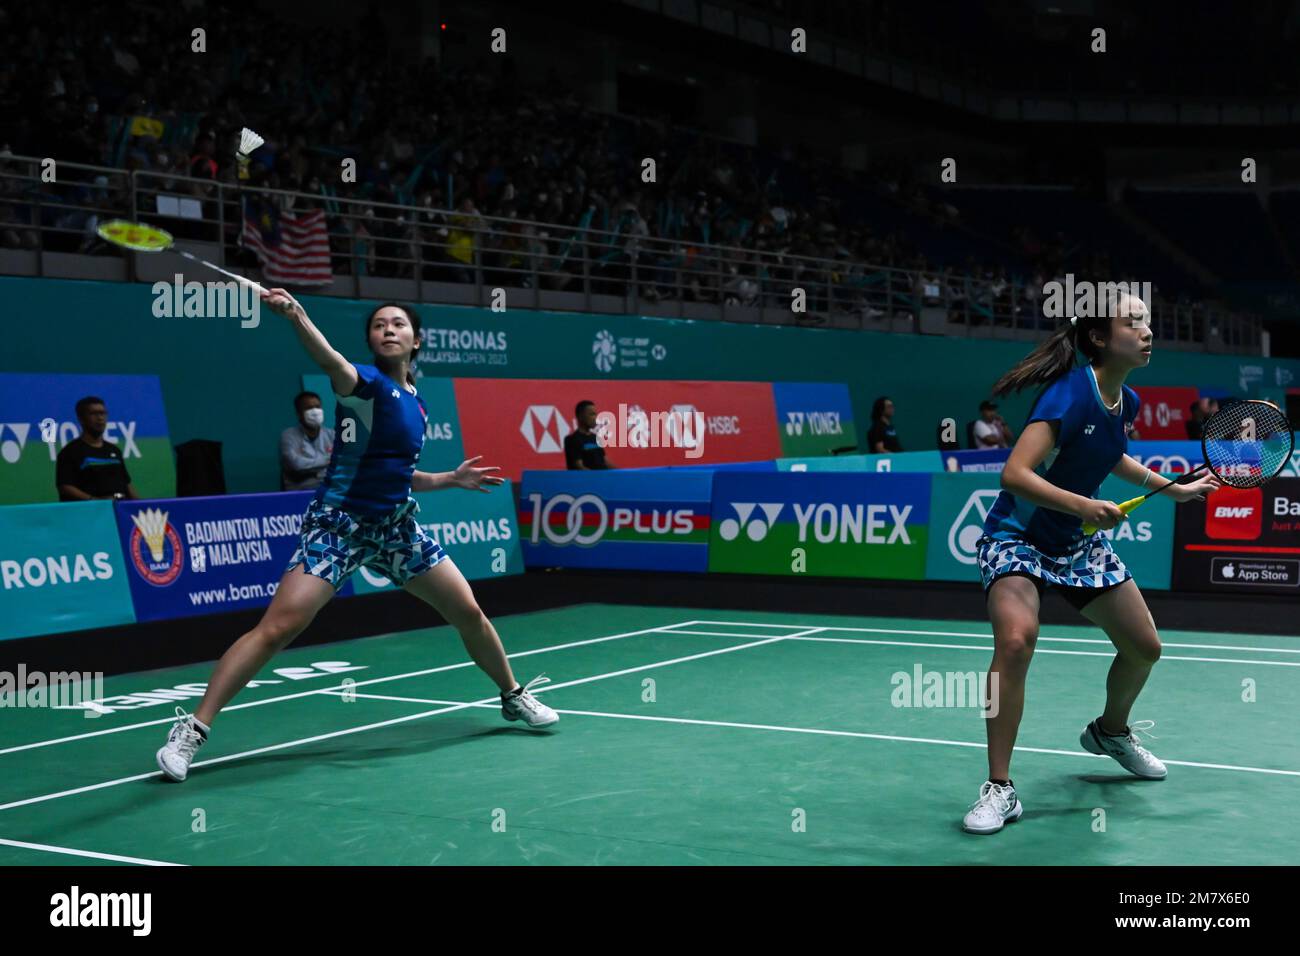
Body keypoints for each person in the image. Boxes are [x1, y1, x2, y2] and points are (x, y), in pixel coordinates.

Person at [156, 297, 558, 782]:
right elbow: (329, 360)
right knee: (279, 628)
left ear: (416, 339)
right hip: (339, 527)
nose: (388, 330)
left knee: (468, 611)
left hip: (395, 527)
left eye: (399, 324)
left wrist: (450, 478)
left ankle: (512, 696)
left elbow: (400, 475)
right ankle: (192, 731)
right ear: (370, 340)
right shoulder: (364, 384)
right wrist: (297, 317)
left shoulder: (416, 401)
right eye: (379, 325)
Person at [963, 296, 1221, 835]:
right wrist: (1084, 506)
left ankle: (1110, 731)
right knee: (1015, 641)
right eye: (1134, 323)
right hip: (1020, 538)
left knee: (1144, 647)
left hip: (1075, 545)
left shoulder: (1125, 400)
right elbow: (1014, 474)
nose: (1147, 332)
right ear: (1100, 338)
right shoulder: (1066, 394)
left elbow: (1111, 455)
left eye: (1149, 322)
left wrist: (1170, 489)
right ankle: (1000, 787)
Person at [55, 396, 140, 501]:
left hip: (120, 508)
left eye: (103, 413)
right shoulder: (70, 452)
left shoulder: (114, 450)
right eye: (94, 414)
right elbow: (65, 487)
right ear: (81, 419)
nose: (100, 418)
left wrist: (138, 505)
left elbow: (126, 483)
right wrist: (95, 501)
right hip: (92, 512)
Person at [280, 391, 335, 490]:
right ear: (299, 414)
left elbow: (343, 462)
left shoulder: (331, 435)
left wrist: (310, 466)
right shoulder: (289, 435)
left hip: (329, 491)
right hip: (299, 494)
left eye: (318, 406)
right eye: (309, 408)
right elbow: (297, 465)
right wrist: (328, 460)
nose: (315, 411)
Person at [564, 400, 613, 470]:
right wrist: (595, 478)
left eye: (595, 414)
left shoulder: (595, 437)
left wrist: (621, 475)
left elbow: (605, 461)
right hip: (588, 480)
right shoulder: (572, 440)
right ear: (580, 416)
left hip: (603, 478)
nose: (595, 418)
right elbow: (579, 465)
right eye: (591, 414)